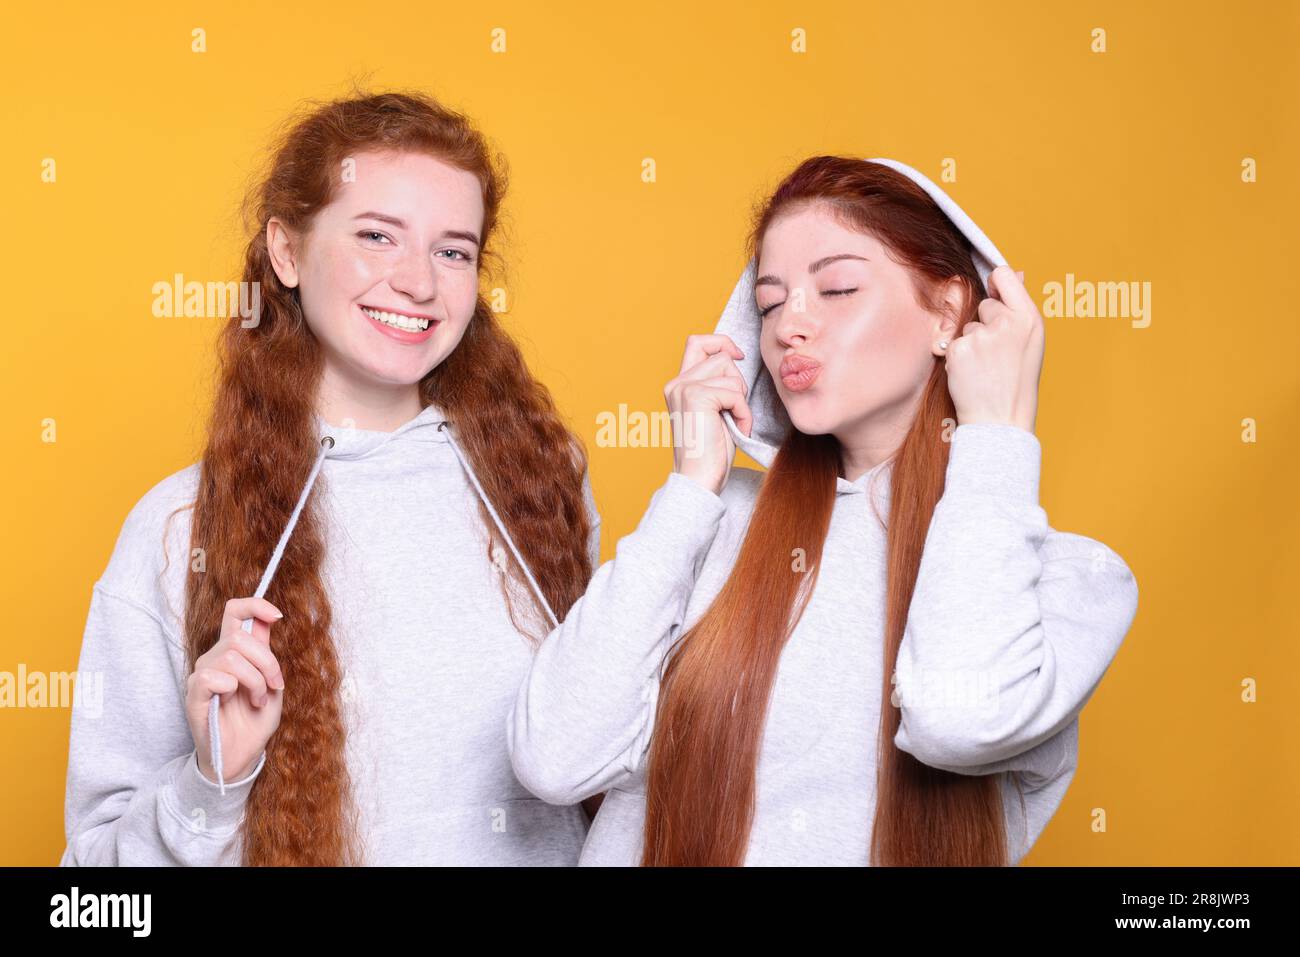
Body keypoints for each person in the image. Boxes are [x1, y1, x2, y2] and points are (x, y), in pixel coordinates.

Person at [509, 156, 1139, 866]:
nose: (789, 327)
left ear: (947, 312)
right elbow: (553, 758)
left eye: (837, 288)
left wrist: (996, 437)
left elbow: (955, 718)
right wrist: (690, 487)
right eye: (771, 303)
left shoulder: (1065, 583)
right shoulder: (712, 528)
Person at [61, 90, 599, 865]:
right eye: (378, 236)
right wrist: (212, 783)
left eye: (453, 251)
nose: (418, 282)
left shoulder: (544, 482)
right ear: (286, 252)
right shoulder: (179, 526)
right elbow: (92, 892)